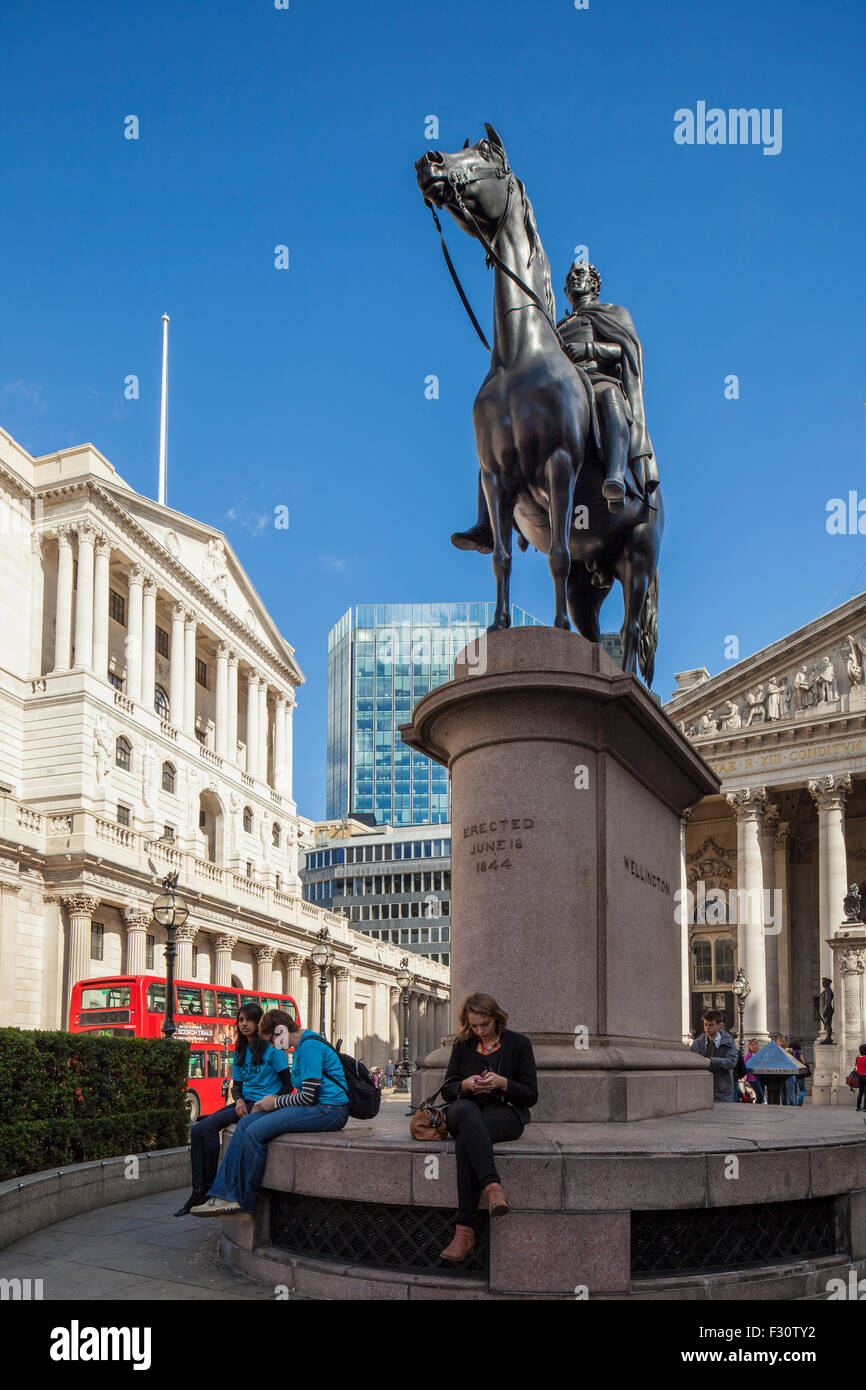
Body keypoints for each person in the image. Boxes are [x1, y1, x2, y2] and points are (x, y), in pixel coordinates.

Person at [450, 260, 659, 555]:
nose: (575, 279)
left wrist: (590, 349)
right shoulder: (557, 327)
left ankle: (614, 476)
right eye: (571, 276)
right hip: (561, 392)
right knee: (500, 435)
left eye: (581, 275)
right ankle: (488, 524)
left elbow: (626, 350)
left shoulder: (612, 314)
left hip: (596, 378)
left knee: (610, 396)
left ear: (594, 284)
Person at [190, 1010, 349, 1217]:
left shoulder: (309, 1046)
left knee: (255, 1132)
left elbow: (309, 1096)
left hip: (330, 1110)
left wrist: (275, 1102)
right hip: (318, 1107)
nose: (273, 1046)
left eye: (272, 1040)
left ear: (281, 1031)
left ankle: (243, 1200)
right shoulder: (302, 1046)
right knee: (246, 1124)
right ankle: (222, 1194)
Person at [437, 992, 537, 1263]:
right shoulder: (463, 1045)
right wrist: (466, 1085)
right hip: (465, 1110)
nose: (479, 1030)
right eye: (474, 1025)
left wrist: (503, 1083)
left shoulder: (518, 1044)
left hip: (504, 1113)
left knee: (468, 1140)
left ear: (496, 1018)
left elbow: (531, 1095)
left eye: (485, 1025)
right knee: (468, 1114)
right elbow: (448, 1090)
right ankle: (492, 1187)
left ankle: (464, 1231)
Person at [174, 1003, 289, 1217]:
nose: (244, 1024)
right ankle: (201, 1191)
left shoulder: (273, 1052)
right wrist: (238, 1100)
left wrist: (270, 1100)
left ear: (258, 1022)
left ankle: (214, 1191)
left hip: (265, 1106)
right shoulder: (240, 1051)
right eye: (241, 1020)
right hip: (244, 1103)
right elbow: (237, 1085)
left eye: (249, 1020)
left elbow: (288, 1084)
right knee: (201, 1130)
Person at [689, 1010, 738, 1102]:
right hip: (701, 1091)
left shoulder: (728, 1042)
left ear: (719, 1025)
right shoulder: (698, 1043)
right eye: (705, 1024)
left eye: (711, 1025)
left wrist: (712, 1061)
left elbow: (732, 1062)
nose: (707, 1028)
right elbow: (688, 1058)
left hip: (722, 1092)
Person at [743, 1038, 765, 1104]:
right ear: (749, 1047)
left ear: (758, 1045)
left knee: (762, 1094)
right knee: (760, 1094)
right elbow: (746, 1065)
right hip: (753, 1078)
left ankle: (760, 1107)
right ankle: (757, 1106)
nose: (754, 1046)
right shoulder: (748, 1055)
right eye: (752, 1045)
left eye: (755, 1044)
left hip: (762, 1076)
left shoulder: (761, 1054)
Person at [789, 1040, 808, 1106]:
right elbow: (803, 1062)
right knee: (802, 1089)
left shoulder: (791, 1053)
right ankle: (800, 1102)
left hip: (794, 1072)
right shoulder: (799, 1052)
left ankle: (794, 1102)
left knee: (794, 1090)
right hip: (800, 1073)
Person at [856, 1043, 866, 1112]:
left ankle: (858, 1107)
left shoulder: (857, 1058)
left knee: (860, 1092)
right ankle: (865, 1108)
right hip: (865, 1076)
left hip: (859, 1076)